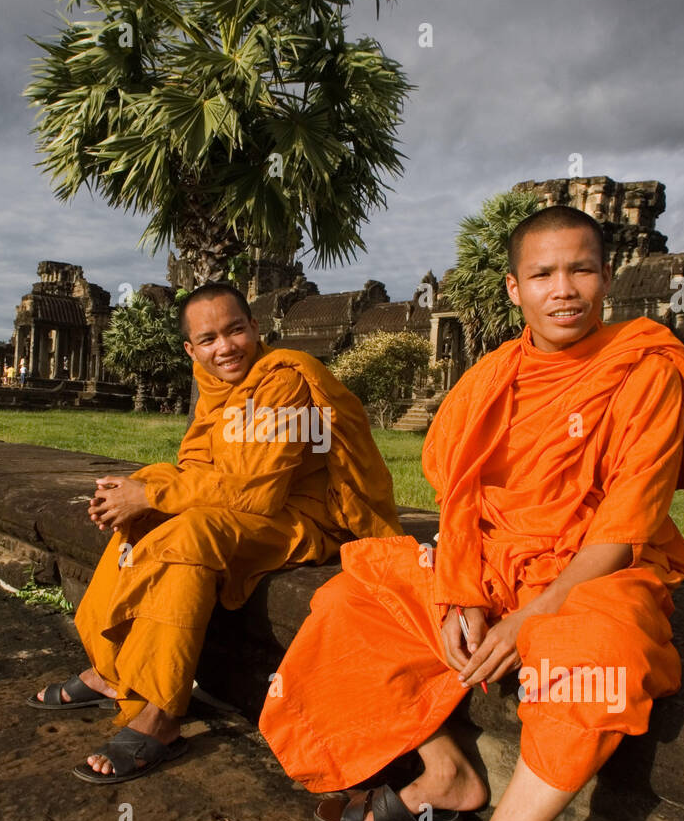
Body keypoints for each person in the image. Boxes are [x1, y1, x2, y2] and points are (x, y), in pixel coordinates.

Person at [259, 206, 684, 821]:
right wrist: (460, 592)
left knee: (596, 657)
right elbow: (462, 503)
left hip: (591, 571)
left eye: (580, 269)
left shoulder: (646, 372)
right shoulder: (490, 378)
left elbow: (623, 528)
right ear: (514, 288)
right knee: (350, 603)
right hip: (490, 562)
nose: (563, 289)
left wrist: (529, 618)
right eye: (543, 274)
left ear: (606, 278)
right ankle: (445, 769)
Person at [30, 282, 404, 784]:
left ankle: (161, 714)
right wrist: (140, 493)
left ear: (255, 329)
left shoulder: (283, 380)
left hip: (305, 518)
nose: (224, 347)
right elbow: (196, 465)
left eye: (235, 331)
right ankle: (110, 671)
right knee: (146, 519)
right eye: (208, 339)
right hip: (247, 506)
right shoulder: (212, 384)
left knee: (189, 534)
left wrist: (150, 494)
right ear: (192, 350)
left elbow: (257, 490)